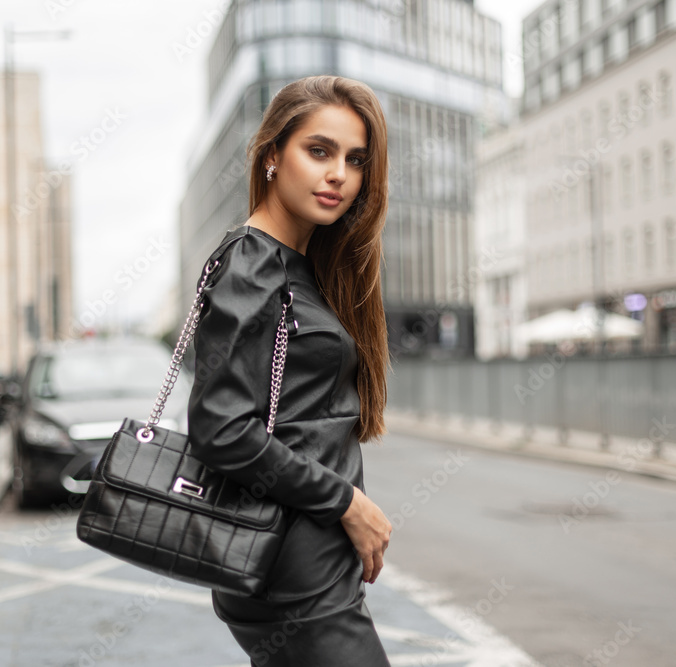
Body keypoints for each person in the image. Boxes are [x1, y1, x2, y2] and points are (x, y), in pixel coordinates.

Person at [186, 75, 393, 666]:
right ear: (273, 154)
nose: (339, 176)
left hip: (308, 564)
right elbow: (222, 429)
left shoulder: (297, 267)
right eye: (319, 151)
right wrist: (348, 504)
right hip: (291, 570)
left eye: (355, 160)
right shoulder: (252, 264)